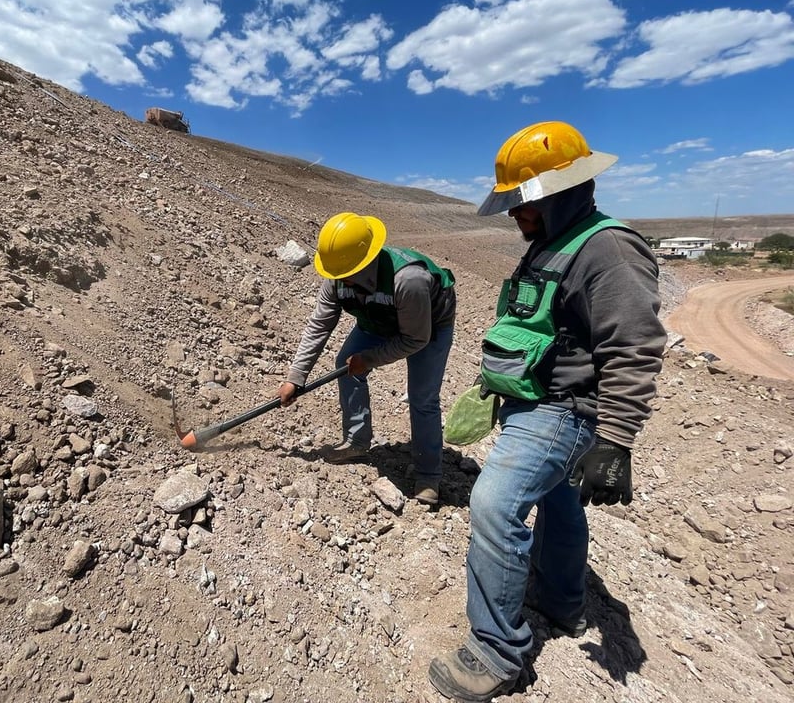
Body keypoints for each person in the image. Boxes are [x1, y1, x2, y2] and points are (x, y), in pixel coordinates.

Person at [428, 121, 667, 701]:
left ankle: (495, 653)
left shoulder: (609, 249)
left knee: (494, 505)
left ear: (562, 192)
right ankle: (561, 603)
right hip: (536, 402)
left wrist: (615, 440)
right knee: (558, 504)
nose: (516, 213)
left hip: (561, 413)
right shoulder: (554, 241)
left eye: (525, 202)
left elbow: (634, 348)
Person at [278, 212, 456, 505]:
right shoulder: (338, 277)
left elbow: (415, 339)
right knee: (346, 365)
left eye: (347, 272)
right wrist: (295, 377)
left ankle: (428, 475)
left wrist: (370, 358)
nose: (341, 279)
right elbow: (319, 326)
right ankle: (357, 442)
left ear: (367, 260)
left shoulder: (408, 280)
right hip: (378, 317)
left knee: (422, 398)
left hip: (428, 325)